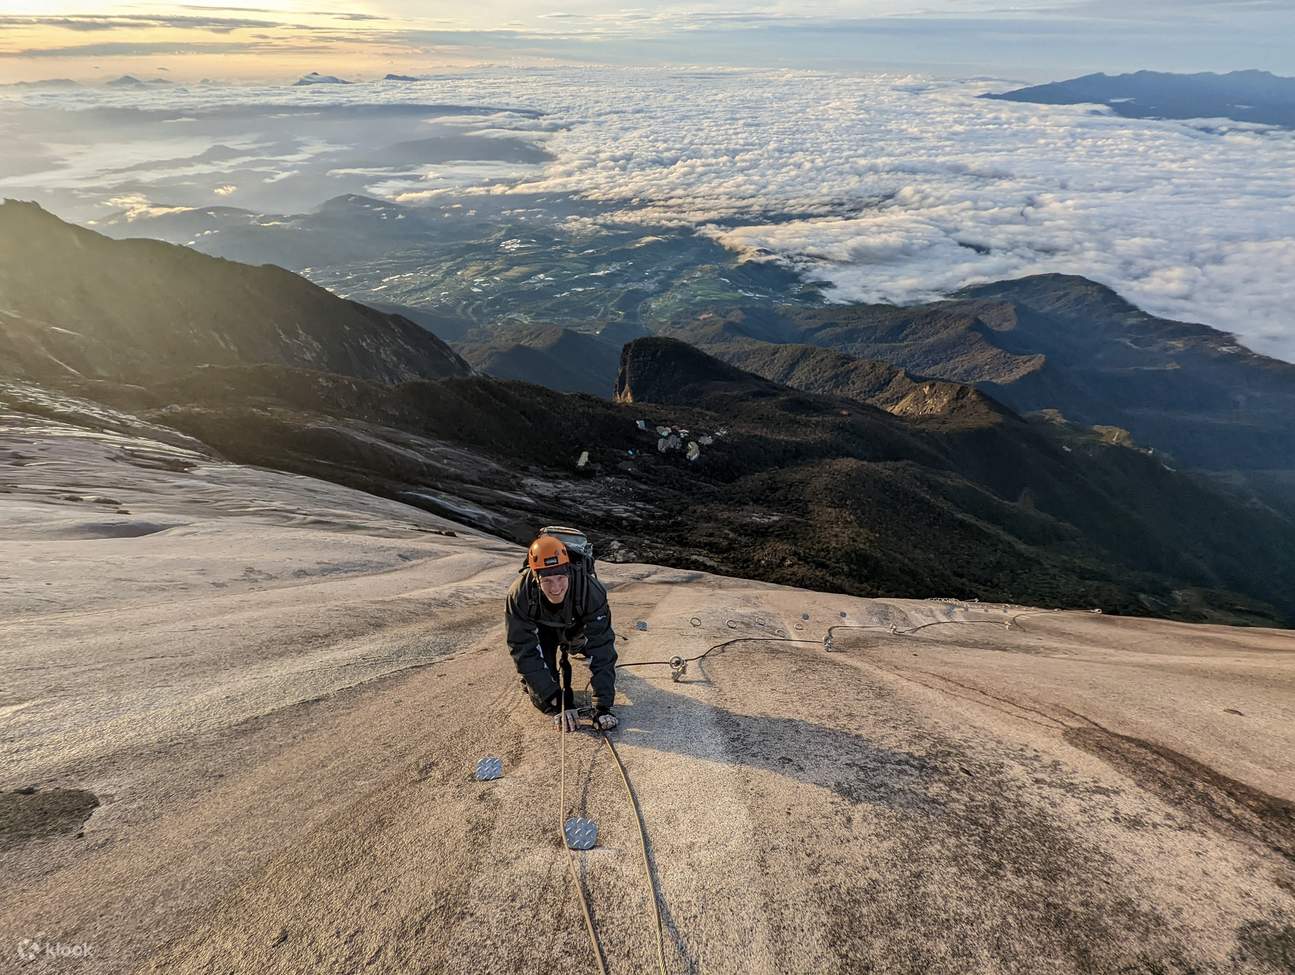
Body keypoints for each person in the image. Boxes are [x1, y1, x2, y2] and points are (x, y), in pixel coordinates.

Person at [505, 534, 619, 731]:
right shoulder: (519, 595)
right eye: (547, 580)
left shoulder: (590, 591)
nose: (556, 588)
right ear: (535, 576)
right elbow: (522, 648)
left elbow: (602, 647)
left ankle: (577, 646)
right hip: (542, 631)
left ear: (569, 572)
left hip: (576, 626)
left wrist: (603, 706)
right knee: (542, 700)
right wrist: (557, 701)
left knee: (586, 648)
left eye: (560, 578)